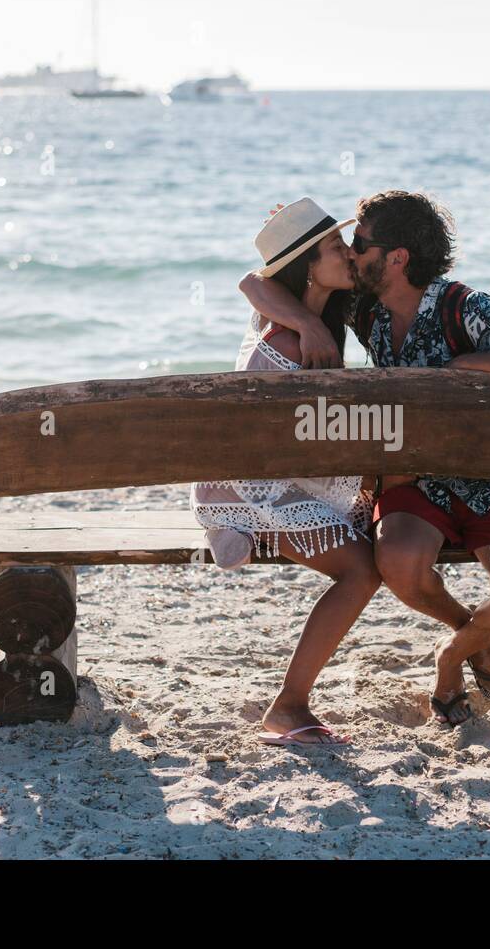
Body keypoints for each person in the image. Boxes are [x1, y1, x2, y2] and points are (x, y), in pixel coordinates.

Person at [239, 190, 490, 726]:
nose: (350, 253)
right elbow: (255, 282)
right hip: (414, 483)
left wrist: (468, 368)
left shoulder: (462, 307)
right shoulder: (363, 307)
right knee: (396, 563)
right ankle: (471, 633)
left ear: (396, 257)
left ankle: (452, 658)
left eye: (361, 243)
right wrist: (306, 326)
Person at [191, 198, 380, 746]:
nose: (347, 254)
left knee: (384, 540)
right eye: (334, 249)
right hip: (256, 486)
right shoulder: (291, 339)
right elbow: (282, 446)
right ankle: (288, 705)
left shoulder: (301, 323)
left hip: (252, 474)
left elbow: (254, 282)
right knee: (363, 570)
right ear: (305, 267)